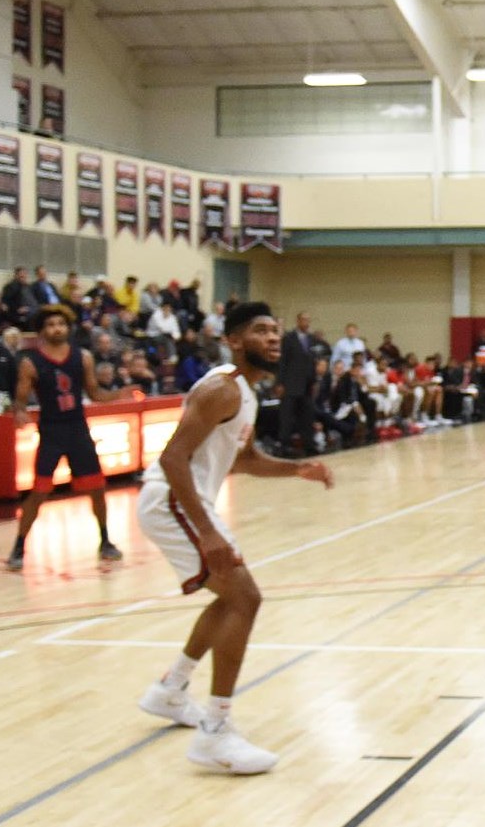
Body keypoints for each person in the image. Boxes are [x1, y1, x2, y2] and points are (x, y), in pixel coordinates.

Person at [132, 302, 334, 774]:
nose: (272, 338)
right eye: (261, 331)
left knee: (231, 600)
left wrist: (298, 468)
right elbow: (173, 458)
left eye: (275, 331)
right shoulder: (222, 388)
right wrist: (206, 533)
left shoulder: (245, 392)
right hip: (173, 502)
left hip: (187, 502)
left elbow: (243, 460)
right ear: (234, 340)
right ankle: (215, 732)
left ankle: (170, 689)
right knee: (245, 598)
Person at [6, 305, 125, 570]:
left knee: (97, 489)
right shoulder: (30, 362)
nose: (56, 328)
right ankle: (19, 546)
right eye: (50, 325)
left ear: (68, 327)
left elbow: (95, 394)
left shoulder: (82, 357)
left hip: (78, 430)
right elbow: (21, 398)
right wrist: (20, 412)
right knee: (39, 492)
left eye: (60, 323)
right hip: (51, 432)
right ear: (41, 331)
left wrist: (121, 393)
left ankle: (105, 540)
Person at [277, 311, 321, 456]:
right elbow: (282, 362)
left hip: (307, 384)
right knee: (287, 416)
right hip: (290, 383)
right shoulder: (288, 338)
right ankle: (284, 446)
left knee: (307, 416)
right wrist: (280, 383)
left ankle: (309, 444)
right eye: (303, 320)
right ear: (298, 321)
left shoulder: (312, 339)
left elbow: (313, 362)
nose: (306, 323)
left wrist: (314, 381)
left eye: (308, 320)